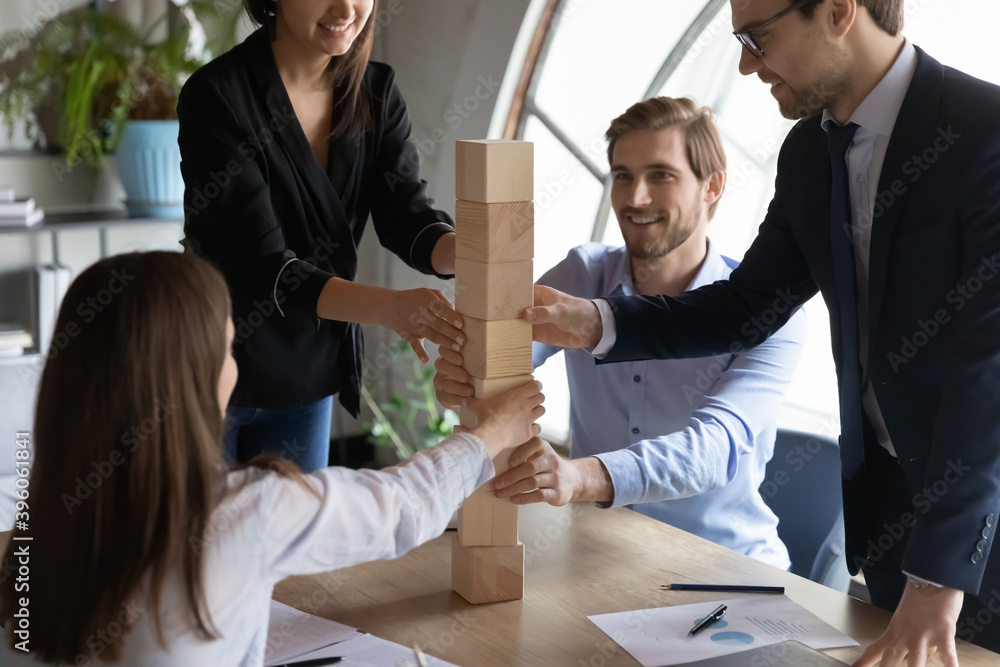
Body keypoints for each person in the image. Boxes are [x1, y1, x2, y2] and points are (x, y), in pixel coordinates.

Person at [523, 0, 1000, 661]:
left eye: (758, 37)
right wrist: (596, 319)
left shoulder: (986, 131)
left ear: (838, 10)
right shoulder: (809, 152)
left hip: (980, 519)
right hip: (892, 515)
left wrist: (938, 575)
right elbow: (744, 309)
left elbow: (989, 374)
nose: (746, 65)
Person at [0, 251, 543, 665]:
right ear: (190, 382)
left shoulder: (41, 524)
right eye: (228, 350)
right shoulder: (243, 512)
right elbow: (397, 508)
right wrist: (489, 434)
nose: (234, 370)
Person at [434, 97, 806, 569]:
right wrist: (461, 379)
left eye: (661, 175)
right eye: (623, 176)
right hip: (595, 552)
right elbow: (497, 362)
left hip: (724, 568)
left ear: (712, 186)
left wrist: (578, 477)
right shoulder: (582, 275)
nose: (636, 198)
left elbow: (712, 449)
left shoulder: (773, 312)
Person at [178, 0, 466, 472]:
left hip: (306, 376)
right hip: (213, 370)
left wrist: (474, 253)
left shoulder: (376, 91)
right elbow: (264, 265)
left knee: (295, 543)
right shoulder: (216, 96)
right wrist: (391, 308)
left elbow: (406, 215)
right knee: (206, 541)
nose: (345, 7)